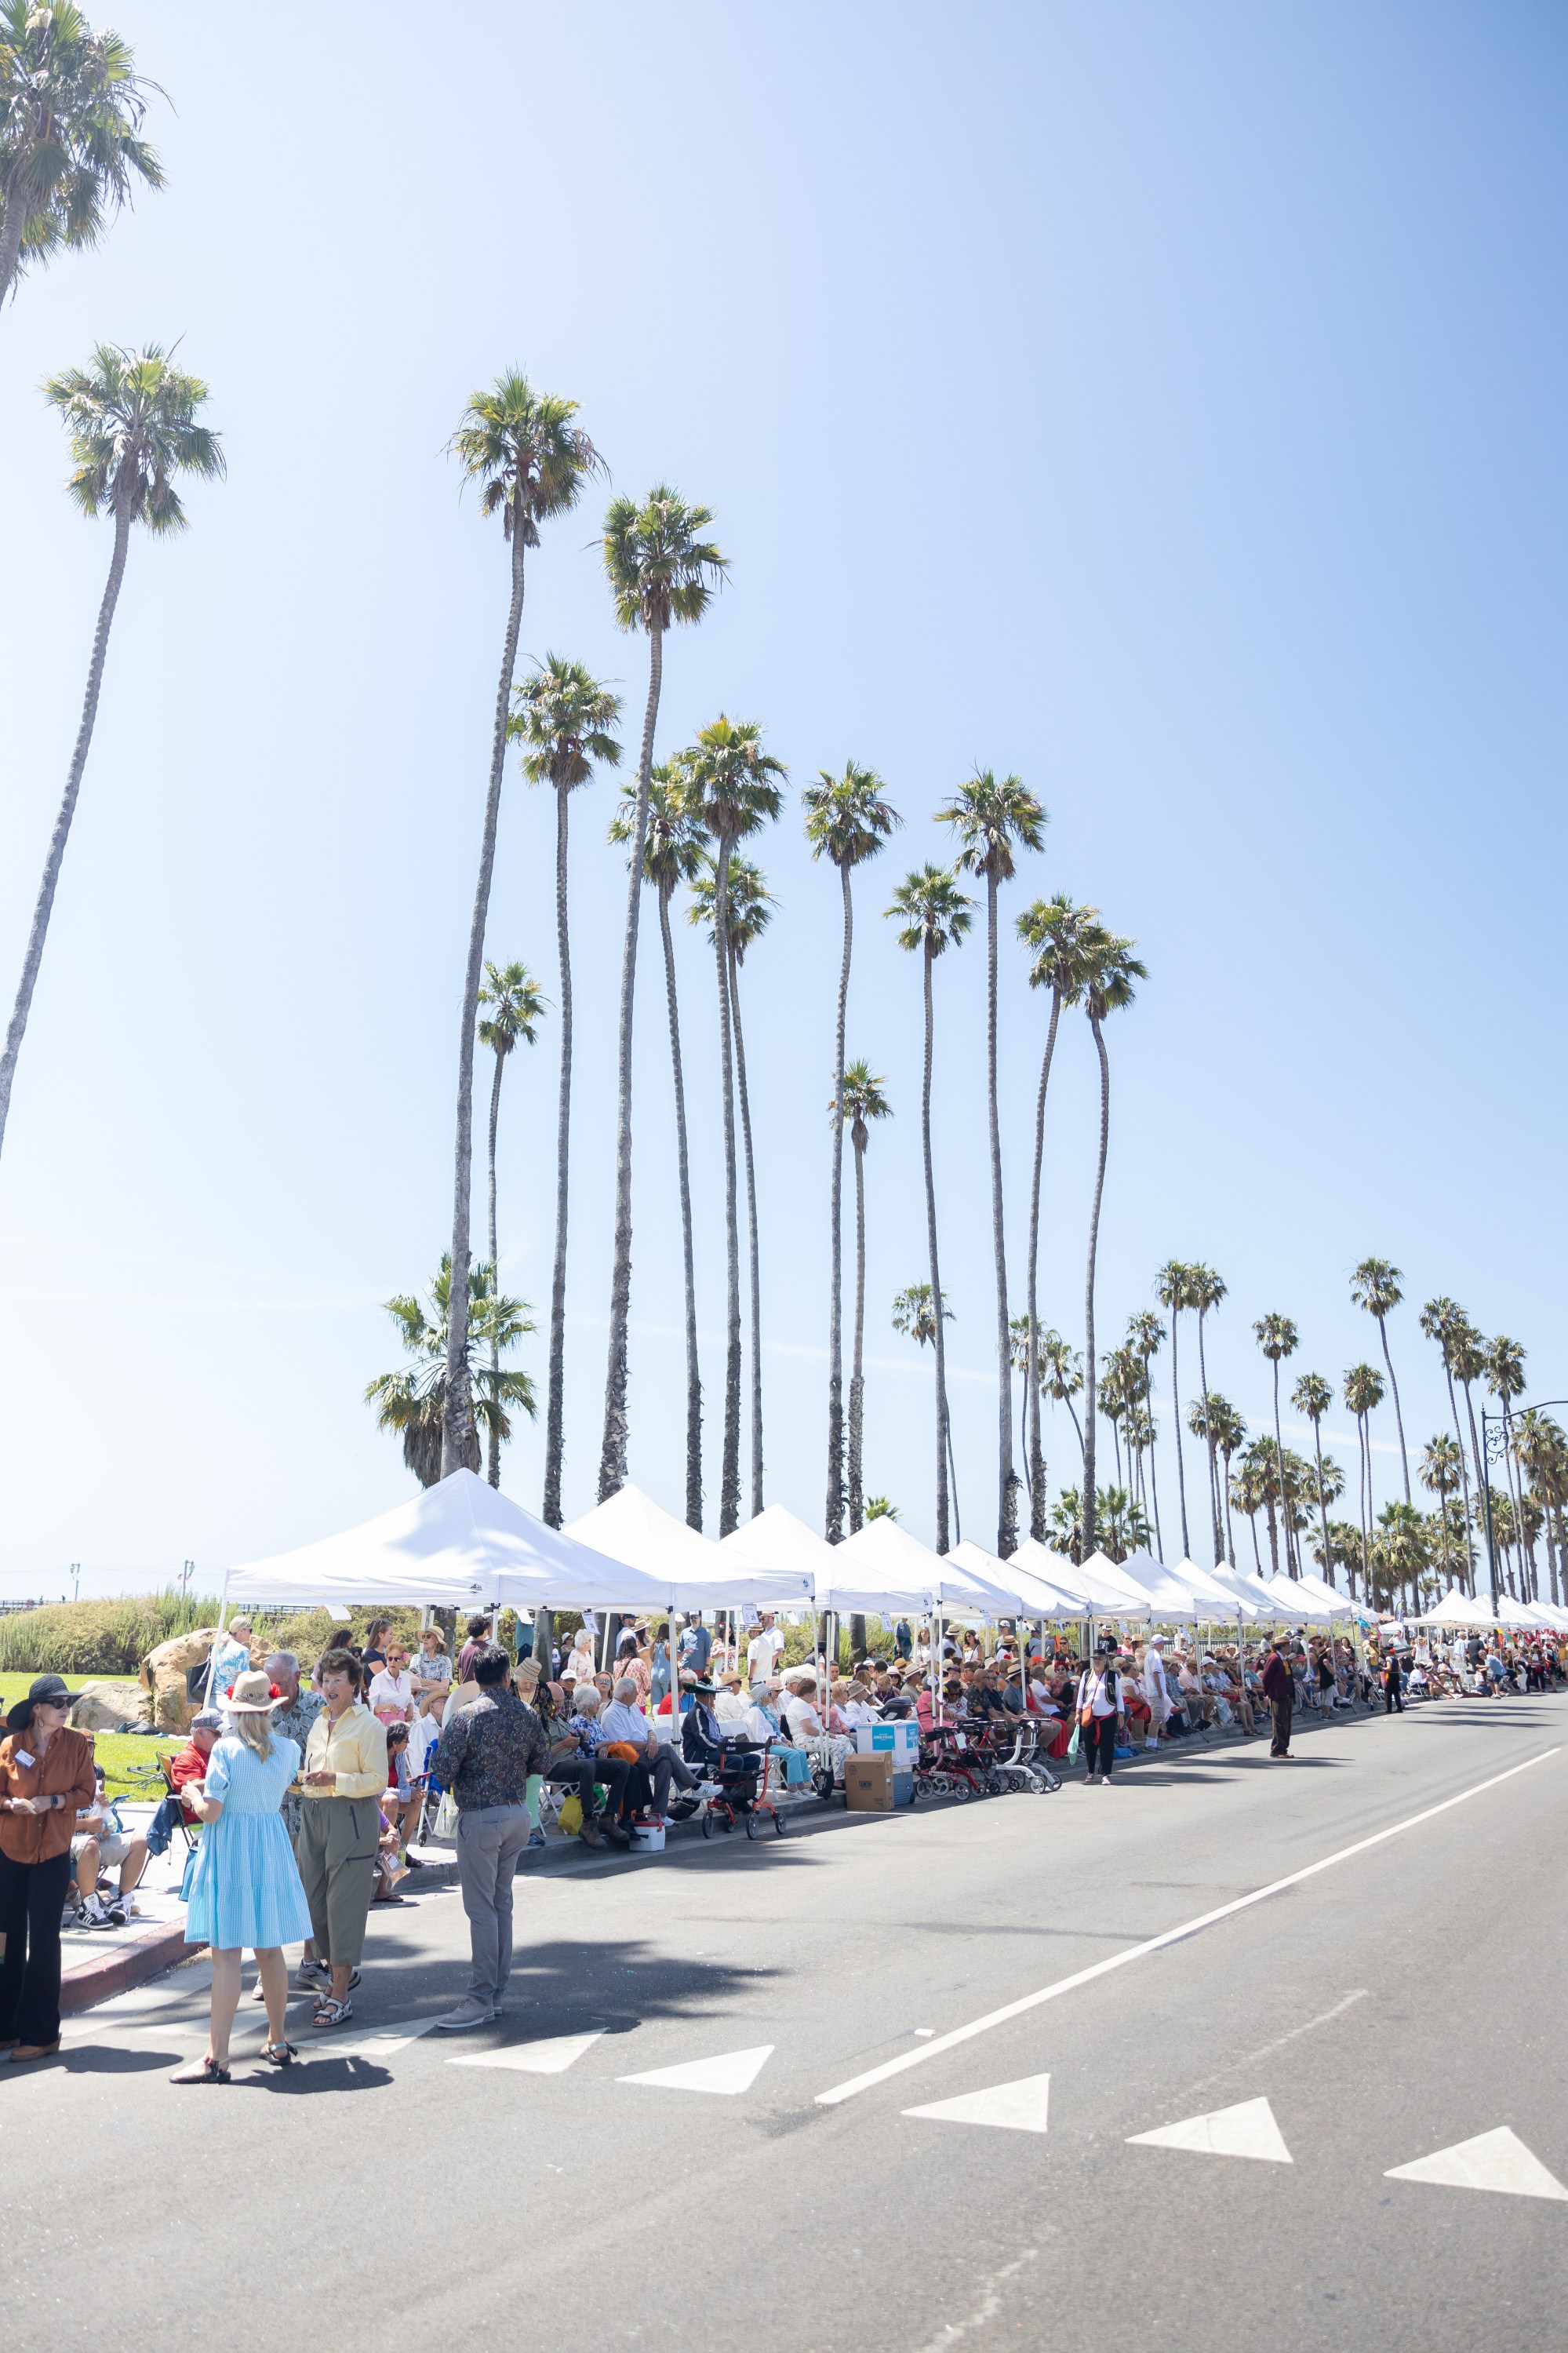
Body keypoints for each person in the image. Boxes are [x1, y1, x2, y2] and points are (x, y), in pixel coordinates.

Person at [172, 1670, 315, 2080]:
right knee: (270, 1951)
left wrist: (194, 1794)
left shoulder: (226, 1751)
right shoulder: (289, 1749)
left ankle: (217, 2057)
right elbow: (270, 1786)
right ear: (268, 1708)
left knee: (227, 1956)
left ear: (234, 1711)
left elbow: (211, 1813)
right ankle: (278, 2039)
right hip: (269, 1845)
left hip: (232, 1850)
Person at [427, 1643, 549, 2028]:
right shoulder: (527, 1713)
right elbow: (541, 1762)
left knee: (482, 1909)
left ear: (474, 1678)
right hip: (517, 1813)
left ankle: (481, 1996)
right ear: (507, 1674)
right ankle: (495, 1993)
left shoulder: (466, 1716)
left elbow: (443, 1771)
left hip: (481, 1816)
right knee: (501, 1904)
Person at [0, 1676, 96, 2062]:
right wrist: (12, 1806)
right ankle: (6, 2026)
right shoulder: (10, 1745)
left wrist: (51, 1801)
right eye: (57, 1701)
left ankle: (41, 2033)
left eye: (68, 1701)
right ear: (36, 1708)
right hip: (10, 1851)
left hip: (53, 1854)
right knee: (4, 1939)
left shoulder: (76, 1744)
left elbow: (86, 1793)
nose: (65, 1707)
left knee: (43, 1942)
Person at [295, 1648, 388, 2030]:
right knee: (313, 1903)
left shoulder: (369, 1726)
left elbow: (378, 1782)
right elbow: (312, 1768)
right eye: (326, 1679)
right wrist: (302, 1779)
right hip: (313, 1814)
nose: (330, 1687)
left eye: (338, 1680)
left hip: (351, 1816)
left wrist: (337, 1781)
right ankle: (339, 1974)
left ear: (354, 1685)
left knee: (342, 1906)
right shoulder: (318, 1722)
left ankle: (340, 1996)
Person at [543, 1683, 632, 1848]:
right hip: (554, 1767)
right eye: (555, 1701)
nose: (559, 1705)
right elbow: (540, 1756)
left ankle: (608, 1816)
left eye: (562, 1701)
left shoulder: (561, 1719)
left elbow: (580, 1748)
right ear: (545, 1700)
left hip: (575, 1762)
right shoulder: (541, 1722)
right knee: (588, 1765)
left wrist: (579, 1738)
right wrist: (564, 1744)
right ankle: (588, 1821)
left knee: (622, 1766)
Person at [602, 1678, 703, 1819]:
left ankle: (659, 1814)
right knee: (666, 1749)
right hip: (628, 1755)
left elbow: (649, 1729)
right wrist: (649, 1745)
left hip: (645, 1750)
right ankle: (696, 1786)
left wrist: (653, 1740)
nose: (638, 1693)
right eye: (635, 1692)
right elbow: (622, 1743)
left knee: (665, 1764)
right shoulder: (611, 1713)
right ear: (625, 1695)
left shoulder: (634, 1707)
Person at [69, 1765, 148, 1928]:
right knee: (90, 1843)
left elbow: (105, 1826)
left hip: (93, 1841)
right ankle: (88, 1908)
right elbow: (49, 1825)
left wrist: (103, 1824)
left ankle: (122, 1902)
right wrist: (83, 1824)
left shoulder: (91, 1779)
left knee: (138, 1842)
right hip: (63, 1842)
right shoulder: (57, 1779)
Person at [144, 1710, 224, 1856]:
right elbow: (192, 1788)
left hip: (214, 1809)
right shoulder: (188, 1758)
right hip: (201, 1814)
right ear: (200, 1732)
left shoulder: (210, 1754)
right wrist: (226, 1779)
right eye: (217, 1733)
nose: (220, 1737)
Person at [1075, 1641, 1125, 1783]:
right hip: (1090, 1715)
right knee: (1090, 1745)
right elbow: (1081, 1695)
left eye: (1100, 1659)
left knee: (1107, 1745)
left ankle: (1106, 1774)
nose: (1097, 1661)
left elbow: (1118, 1696)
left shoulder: (1112, 1675)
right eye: (1095, 1659)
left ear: (1105, 1660)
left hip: (1107, 1715)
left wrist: (1120, 1714)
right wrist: (1078, 1712)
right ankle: (1090, 1772)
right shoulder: (1086, 1674)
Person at [206, 1617, 255, 1706]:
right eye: (250, 1630)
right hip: (230, 1701)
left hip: (212, 1699)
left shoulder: (218, 1646)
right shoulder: (242, 1651)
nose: (251, 1634)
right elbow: (242, 1681)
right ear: (241, 1630)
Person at [368, 1640, 417, 1728]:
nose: (392, 1662)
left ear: (403, 1661)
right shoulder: (378, 1679)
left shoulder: (406, 1677)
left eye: (397, 1659)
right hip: (382, 1723)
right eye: (390, 1658)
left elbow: (409, 1697)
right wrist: (386, 1706)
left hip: (401, 1723)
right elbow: (370, 1706)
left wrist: (410, 1706)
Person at [1261, 1635, 1294, 1759]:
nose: (1290, 1647)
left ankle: (1283, 1749)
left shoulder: (1283, 1659)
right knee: (1280, 1723)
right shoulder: (1274, 1658)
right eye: (1288, 1645)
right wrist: (1266, 1693)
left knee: (1286, 1723)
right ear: (1282, 1646)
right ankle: (1277, 1749)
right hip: (1277, 1694)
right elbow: (1266, 1677)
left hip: (1286, 1694)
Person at [412, 1626, 453, 1699]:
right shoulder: (416, 1658)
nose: (425, 1639)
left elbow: (444, 1686)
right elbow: (413, 1681)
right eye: (424, 1636)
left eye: (428, 1636)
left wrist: (421, 1684)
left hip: (436, 1703)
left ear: (437, 1641)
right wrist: (435, 1682)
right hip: (416, 1703)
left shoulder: (445, 1661)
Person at [456, 1614, 492, 1685]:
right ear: (484, 1630)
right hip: (481, 1690)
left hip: (465, 1690)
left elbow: (460, 1677)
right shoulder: (488, 1649)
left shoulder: (463, 1650)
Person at [1384, 1648, 1405, 1715]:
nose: (1385, 1653)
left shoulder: (1388, 1659)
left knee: (1389, 1693)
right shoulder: (1396, 1660)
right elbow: (1398, 1669)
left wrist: (1382, 1668)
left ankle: (1389, 1709)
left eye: (1386, 1652)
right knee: (1396, 1693)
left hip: (1391, 1676)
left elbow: (1389, 1668)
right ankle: (1399, 1708)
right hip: (1396, 1676)